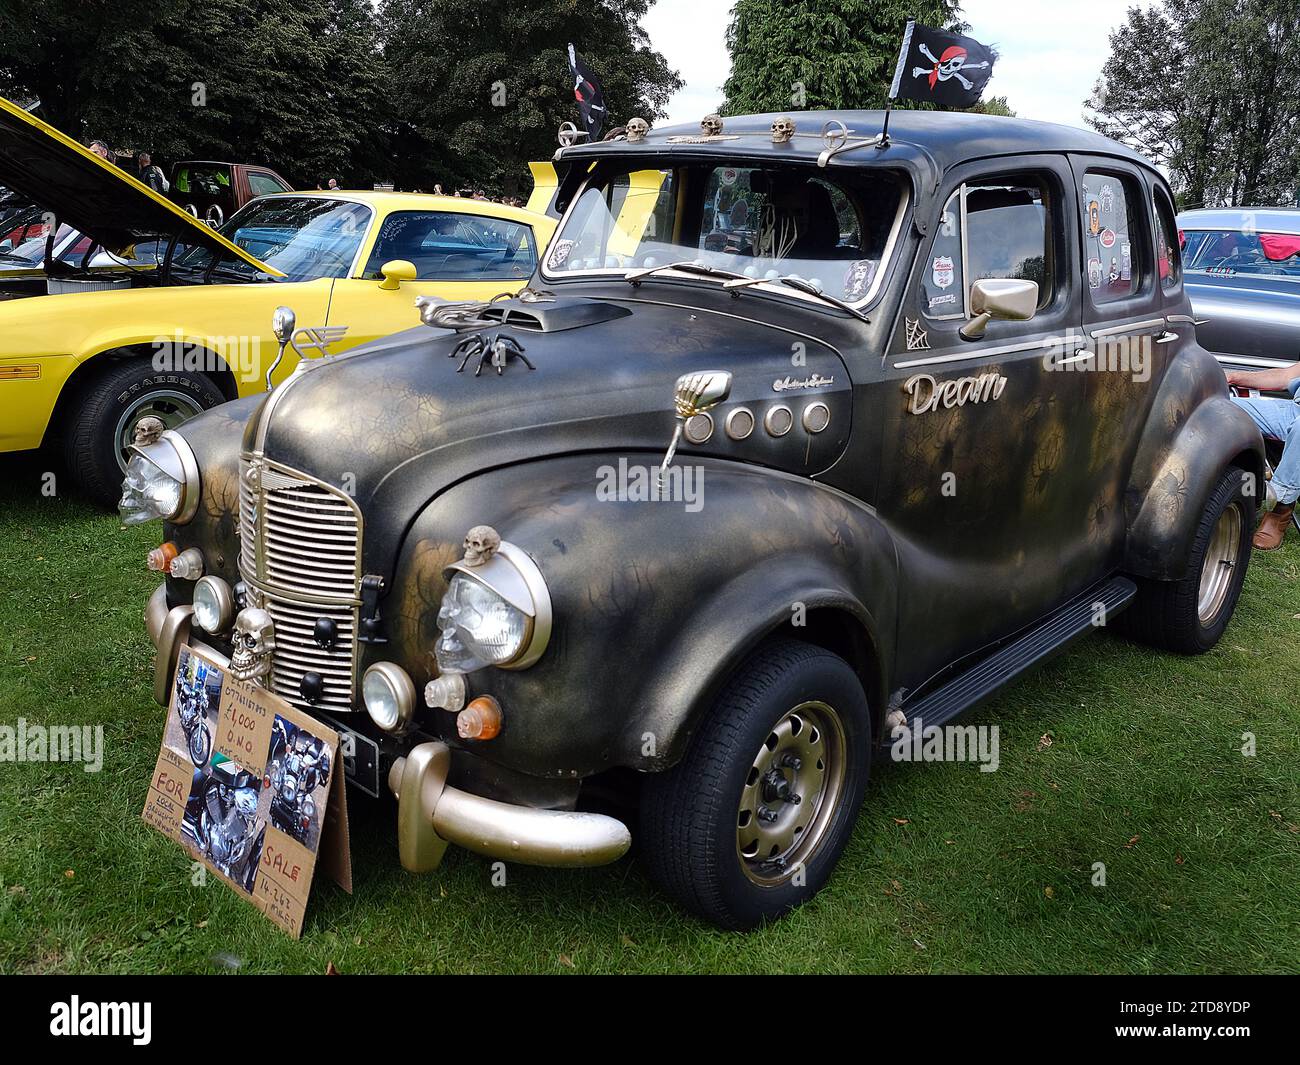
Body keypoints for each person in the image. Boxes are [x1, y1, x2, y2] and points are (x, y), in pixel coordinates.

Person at [1226, 360, 1300, 549]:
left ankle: (1280, 509)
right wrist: (1234, 377)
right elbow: (1285, 377)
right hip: (1294, 410)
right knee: (1218, 404)